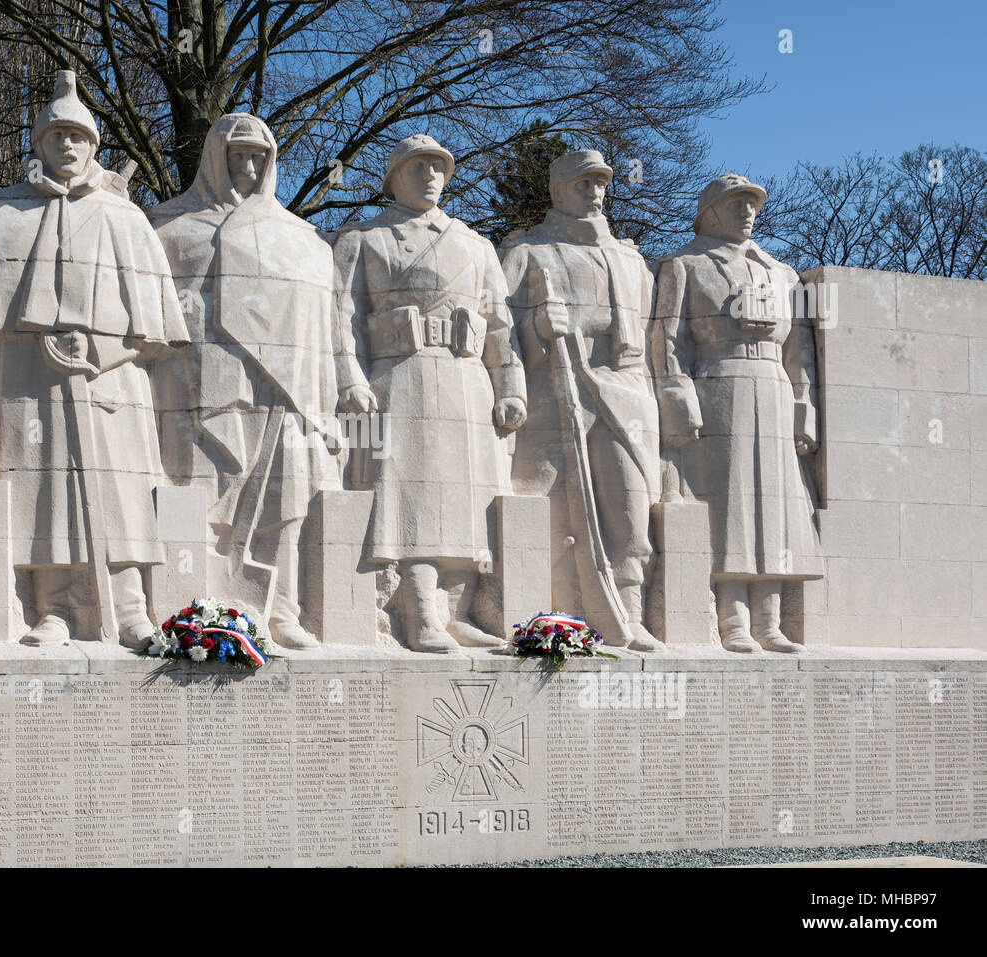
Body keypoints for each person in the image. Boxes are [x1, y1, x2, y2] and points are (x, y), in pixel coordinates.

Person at [0, 70, 188, 647]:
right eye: (56, 135)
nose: (67, 144)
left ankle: (131, 607)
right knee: (41, 492)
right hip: (27, 379)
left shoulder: (125, 218)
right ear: (38, 143)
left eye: (78, 136)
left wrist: (102, 349)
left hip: (113, 379)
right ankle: (55, 608)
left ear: (93, 145)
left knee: (124, 492)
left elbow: (161, 329)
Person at [148, 113, 367, 649]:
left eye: (257, 157)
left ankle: (283, 609)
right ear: (214, 158)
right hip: (206, 389)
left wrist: (341, 382)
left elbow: (330, 323)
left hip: (289, 394)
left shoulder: (302, 239)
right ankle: (196, 612)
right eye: (236, 155)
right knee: (201, 493)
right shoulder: (167, 228)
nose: (247, 166)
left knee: (285, 502)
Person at [332, 134, 526, 653]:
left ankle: (456, 612)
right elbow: (341, 315)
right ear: (393, 178)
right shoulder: (363, 239)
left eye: (439, 167)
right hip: (400, 375)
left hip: (465, 379)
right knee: (408, 493)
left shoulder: (476, 245)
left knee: (467, 497)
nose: (430, 176)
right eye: (418, 167)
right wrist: (349, 377)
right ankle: (418, 610)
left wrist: (511, 387)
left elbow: (499, 324)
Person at [652, 173, 823, 653]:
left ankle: (769, 623)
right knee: (731, 509)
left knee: (776, 510)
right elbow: (667, 340)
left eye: (752, 203)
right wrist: (678, 397)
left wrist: (804, 411)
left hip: (774, 388)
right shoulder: (683, 265)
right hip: (718, 388)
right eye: (735, 203)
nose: (747, 211)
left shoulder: (783, 274)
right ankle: (733, 621)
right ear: (709, 211)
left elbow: (800, 352)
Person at [503, 149, 664, 652]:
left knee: (631, 509)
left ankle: (629, 612)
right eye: (582, 183)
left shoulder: (632, 260)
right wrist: (536, 327)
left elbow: (657, 340)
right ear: (558, 190)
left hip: (628, 392)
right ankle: (558, 619)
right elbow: (498, 329)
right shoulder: (528, 252)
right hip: (556, 390)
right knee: (554, 511)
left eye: (600, 183)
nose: (594, 192)